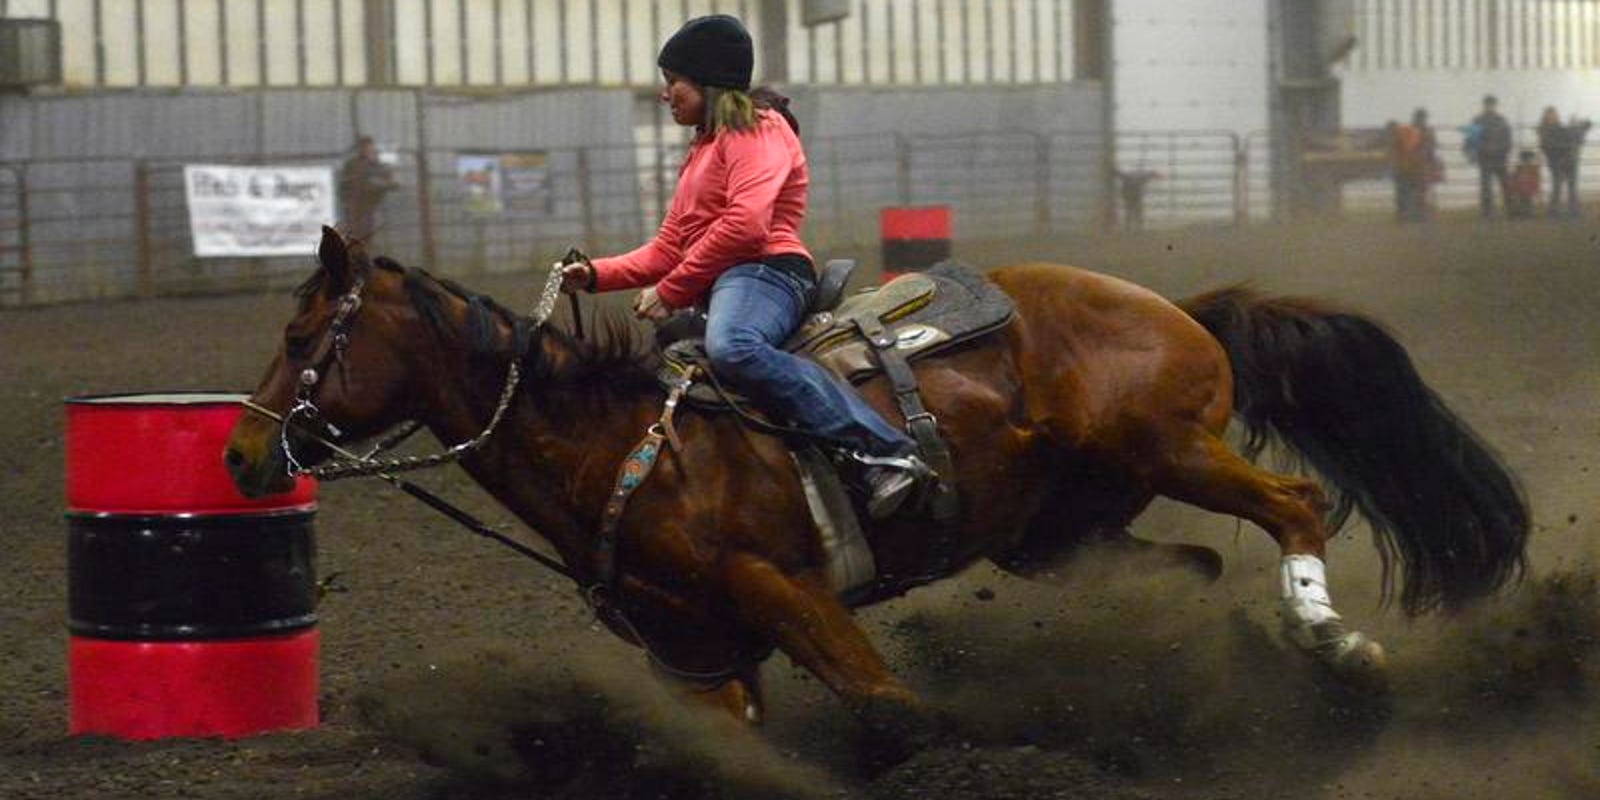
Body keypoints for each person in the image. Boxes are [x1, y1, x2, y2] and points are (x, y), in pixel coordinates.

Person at [559, 15, 924, 519]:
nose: (666, 95)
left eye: (673, 82)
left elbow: (748, 226)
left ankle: (886, 451)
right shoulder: (704, 148)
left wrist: (672, 289)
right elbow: (667, 247)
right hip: (726, 279)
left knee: (733, 347)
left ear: (707, 81)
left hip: (768, 271)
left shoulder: (756, 128)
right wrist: (596, 275)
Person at [338, 136, 398, 241]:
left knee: (366, 231)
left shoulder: (376, 164)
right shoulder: (352, 164)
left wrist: (387, 183)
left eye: (369, 147)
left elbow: (391, 182)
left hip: (369, 204)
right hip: (355, 205)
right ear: (360, 149)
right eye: (365, 147)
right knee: (356, 232)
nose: (368, 150)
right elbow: (344, 183)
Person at [1538, 107, 1591, 217]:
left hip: (1569, 160)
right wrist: (1575, 126)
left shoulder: (1558, 128)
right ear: (1546, 117)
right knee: (1557, 186)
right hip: (1557, 162)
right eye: (1551, 115)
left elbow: (1571, 137)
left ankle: (1572, 211)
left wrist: (1576, 125)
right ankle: (1554, 211)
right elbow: (1550, 146)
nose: (1553, 117)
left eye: (1554, 114)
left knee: (1571, 186)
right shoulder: (1545, 130)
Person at [1389, 109, 1437, 222]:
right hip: (1415, 166)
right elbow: (1431, 149)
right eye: (1422, 118)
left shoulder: (1407, 130)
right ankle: (1414, 215)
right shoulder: (1424, 131)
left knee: (1408, 191)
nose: (1422, 120)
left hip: (1409, 166)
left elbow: (1396, 147)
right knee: (1415, 191)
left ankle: (1405, 215)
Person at [1471, 95, 1513, 218]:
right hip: (1486, 157)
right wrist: (1482, 151)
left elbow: (1508, 138)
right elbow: (1473, 140)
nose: (1490, 106)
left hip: (1499, 157)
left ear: (1494, 105)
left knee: (1505, 184)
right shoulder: (1478, 121)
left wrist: (1505, 151)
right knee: (1486, 186)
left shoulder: (1500, 120)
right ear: (1485, 105)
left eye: (1492, 104)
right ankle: (1487, 212)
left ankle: (1510, 209)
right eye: (1488, 104)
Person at [1507, 149, 1541, 219]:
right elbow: (1514, 180)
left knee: (1525, 201)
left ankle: (1523, 212)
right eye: (1526, 159)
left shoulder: (1521, 169)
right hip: (1523, 191)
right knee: (1525, 202)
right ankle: (1523, 212)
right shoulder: (1529, 169)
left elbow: (1513, 180)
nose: (1527, 161)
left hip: (1524, 191)